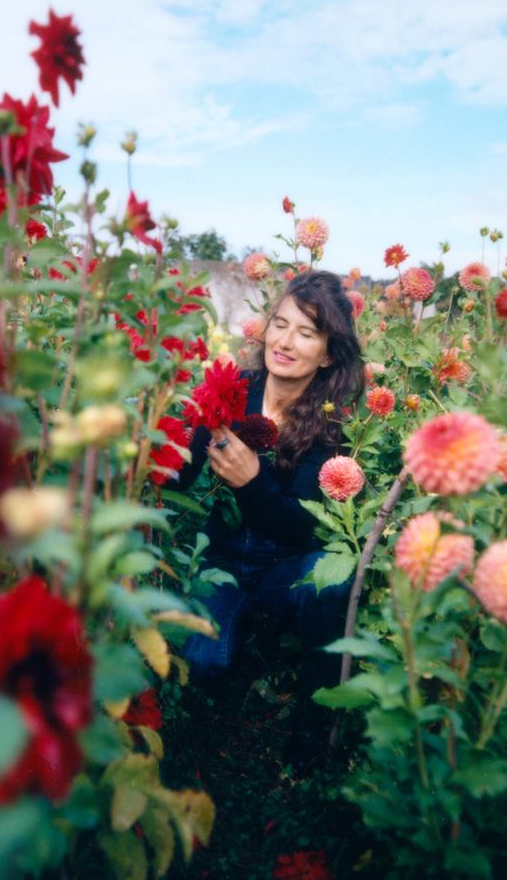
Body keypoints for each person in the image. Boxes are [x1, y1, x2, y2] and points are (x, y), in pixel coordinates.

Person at [177, 269, 365, 755]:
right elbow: (181, 472)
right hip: (222, 563)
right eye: (280, 324)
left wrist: (253, 484)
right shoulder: (234, 387)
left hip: (284, 567)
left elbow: (308, 529)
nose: (285, 341)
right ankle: (235, 644)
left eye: (306, 333)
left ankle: (313, 733)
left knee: (331, 584)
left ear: (326, 355)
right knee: (202, 663)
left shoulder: (329, 425)